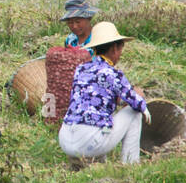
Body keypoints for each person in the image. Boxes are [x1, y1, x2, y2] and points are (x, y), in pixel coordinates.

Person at [57, 22, 150, 165]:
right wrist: (140, 96)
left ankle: (95, 161)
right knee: (134, 113)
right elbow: (136, 102)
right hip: (88, 143)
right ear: (114, 48)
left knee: (102, 114)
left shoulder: (81, 69)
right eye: (120, 49)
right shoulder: (112, 73)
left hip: (65, 140)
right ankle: (130, 164)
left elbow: (99, 97)